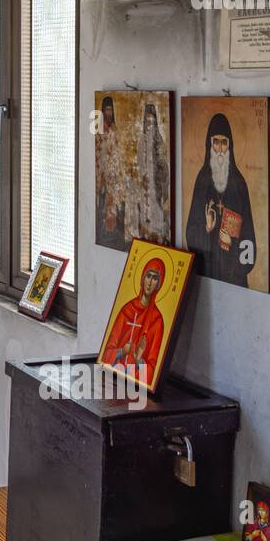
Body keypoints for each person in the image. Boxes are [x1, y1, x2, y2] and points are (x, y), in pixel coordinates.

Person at [184, 113, 256, 286]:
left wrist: (232, 243)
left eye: (224, 143)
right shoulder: (202, 180)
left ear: (230, 146)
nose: (220, 148)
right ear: (209, 145)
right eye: (216, 142)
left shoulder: (239, 184)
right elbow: (191, 232)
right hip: (209, 270)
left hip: (233, 276)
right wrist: (207, 228)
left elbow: (249, 237)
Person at [102, 257, 167, 385]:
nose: (150, 282)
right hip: (114, 376)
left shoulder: (157, 320)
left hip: (135, 382)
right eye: (148, 276)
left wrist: (139, 360)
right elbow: (107, 352)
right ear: (143, 278)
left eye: (155, 278)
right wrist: (122, 352)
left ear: (159, 284)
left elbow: (152, 369)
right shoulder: (126, 310)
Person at [136, 103, 170, 242]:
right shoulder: (142, 139)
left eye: (152, 117)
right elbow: (139, 160)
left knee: (157, 206)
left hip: (156, 179)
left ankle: (158, 233)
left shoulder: (159, 138)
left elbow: (163, 158)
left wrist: (160, 171)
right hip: (146, 179)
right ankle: (147, 234)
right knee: (146, 207)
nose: (150, 120)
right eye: (147, 117)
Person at [96, 96, 127, 248]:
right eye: (106, 109)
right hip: (102, 173)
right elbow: (97, 152)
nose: (108, 112)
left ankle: (111, 231)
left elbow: (118, 152)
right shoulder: (99, 129)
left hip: (113, 173)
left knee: (112, 204)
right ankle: (103, 232)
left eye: (110, 110)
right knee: (103, 204)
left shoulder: (114, 129)